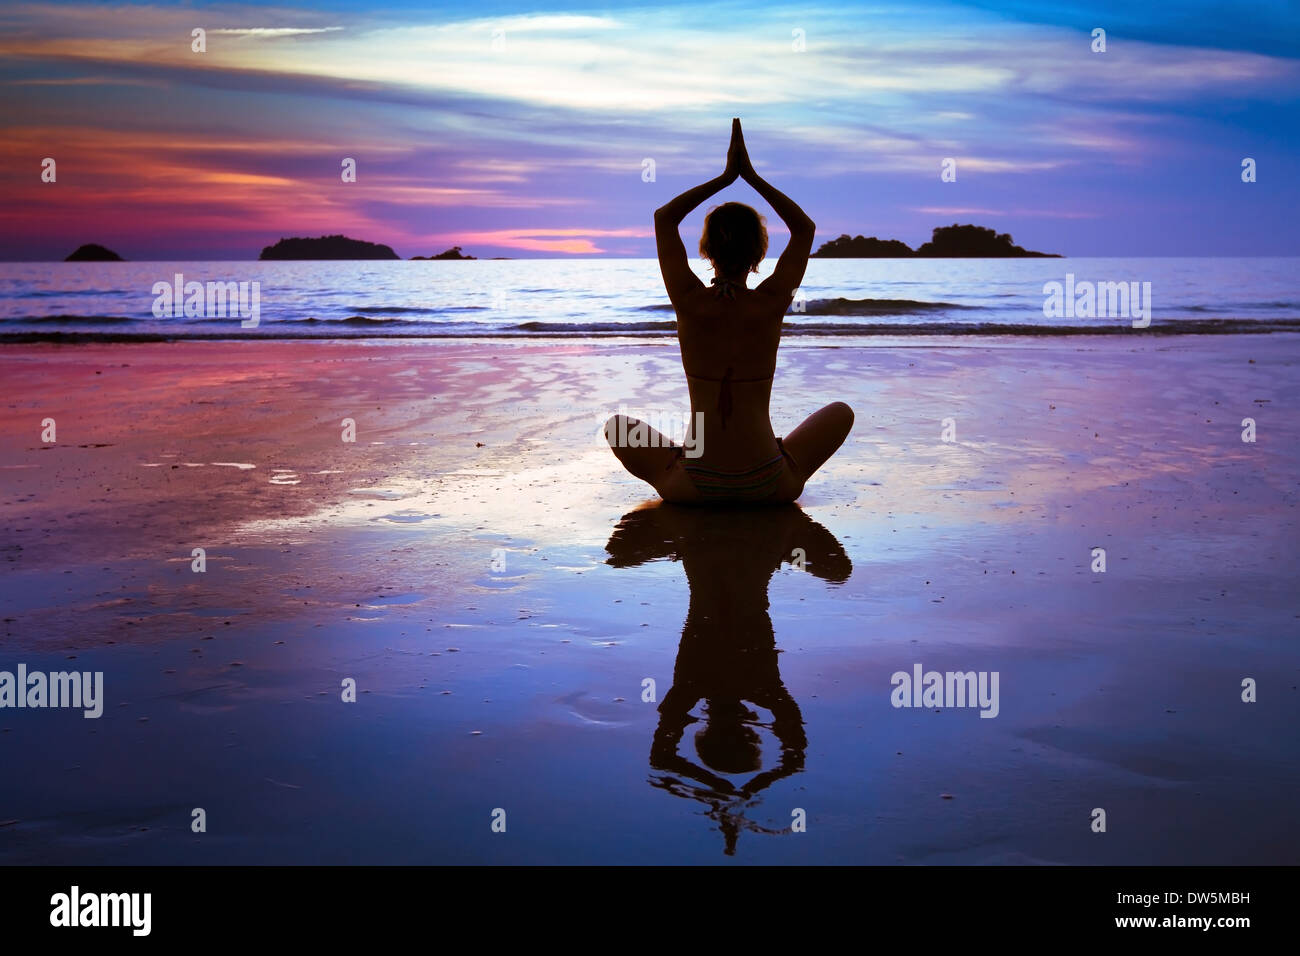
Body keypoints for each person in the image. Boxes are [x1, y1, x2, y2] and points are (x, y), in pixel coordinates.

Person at [605, 118, 854, 503]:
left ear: (706, 251)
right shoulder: (770, 303)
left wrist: (725, 177)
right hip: (770, 486)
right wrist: (750, 177)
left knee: (617, 427)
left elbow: (664, 217)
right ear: (759, 253)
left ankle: (684, 460)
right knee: (841, 412)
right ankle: (769, 451)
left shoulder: (688, 299)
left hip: (692, 488)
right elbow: (803, 228)